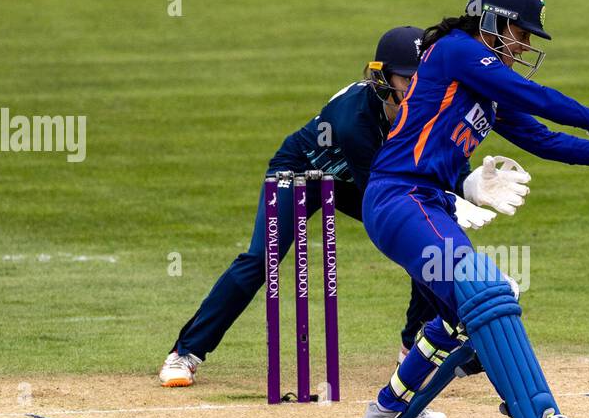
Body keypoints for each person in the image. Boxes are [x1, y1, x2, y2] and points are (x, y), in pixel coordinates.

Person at [358, 0, 589, 418]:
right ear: (490, 20)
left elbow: (543, 139)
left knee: (462, 314)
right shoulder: (455, 51)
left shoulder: (484, 84)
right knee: (486, 290)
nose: (523, 44)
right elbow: (532, 95)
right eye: (520, 32)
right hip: (402, 197)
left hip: (424, 203)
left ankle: (387, 407)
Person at [159, 26, 488, 387]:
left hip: (366, 181)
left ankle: (414, 347)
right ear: (382, 78)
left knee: (423, 243)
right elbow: (386, 193)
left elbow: (446, 162)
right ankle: (185, 352)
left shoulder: (435, 106)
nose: (417, 88)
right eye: (408, 79)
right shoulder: (353, 118)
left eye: (423, 78)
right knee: (260, 259)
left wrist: (467, 184)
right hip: (302, 171)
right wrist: (446, 201)